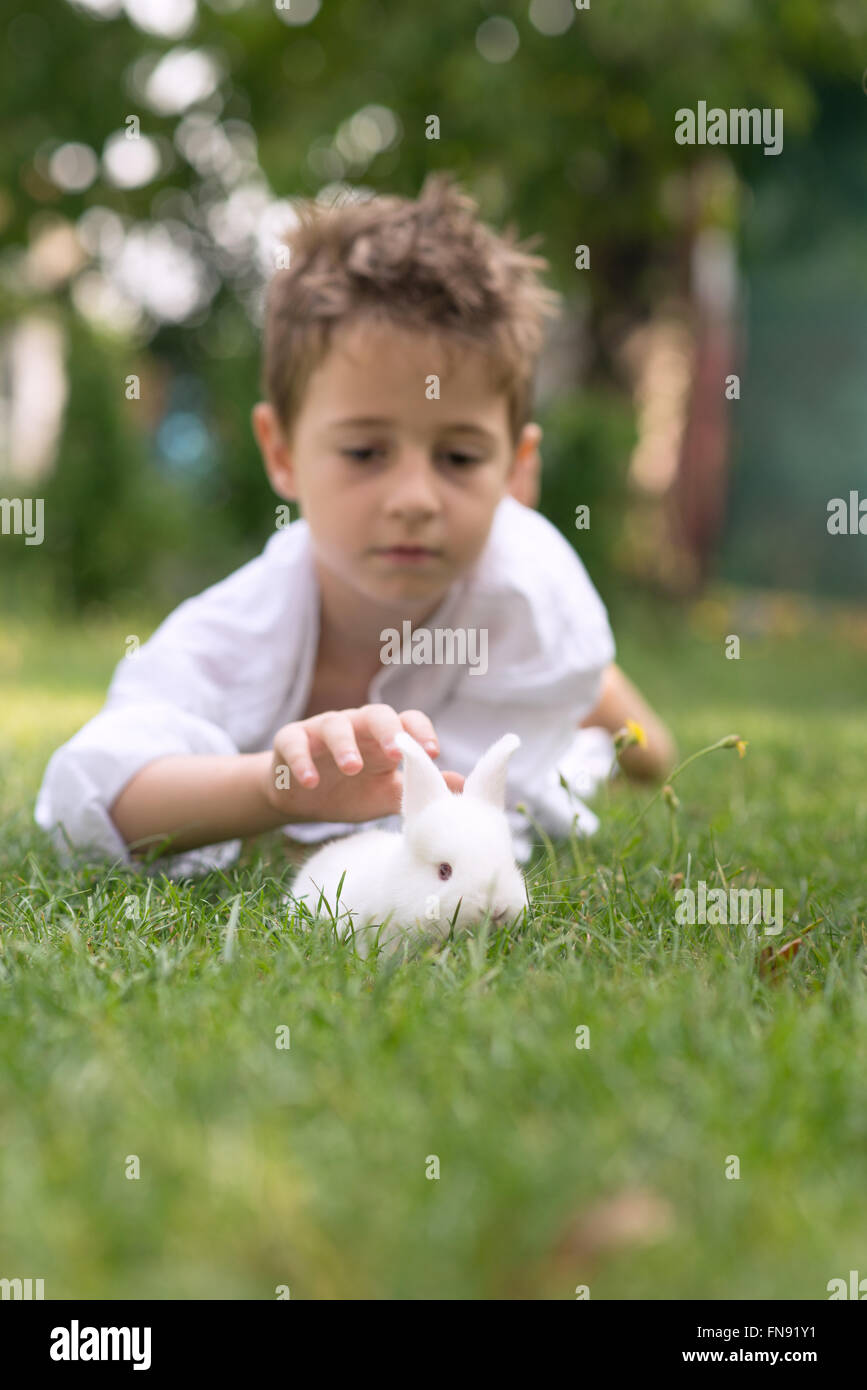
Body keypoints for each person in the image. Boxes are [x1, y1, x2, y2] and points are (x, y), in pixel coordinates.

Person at [35, 173, 675, 878]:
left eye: (458, 457)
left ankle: (610, 697)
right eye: (365, 451)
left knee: (640, 746)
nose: (414, 499)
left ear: (516, 470)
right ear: (281, 453)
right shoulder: (240, 625)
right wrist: (273, 789)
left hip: (531, 637)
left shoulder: (536, 605)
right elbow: (88, 793)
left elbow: (472, 823)